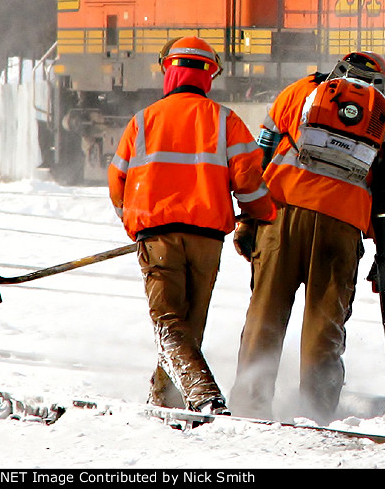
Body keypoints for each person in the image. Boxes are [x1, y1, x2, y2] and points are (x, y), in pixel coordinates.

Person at [230, 51, 385, 421]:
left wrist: (249, 220)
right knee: (323, 330)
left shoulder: (298, 91)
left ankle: (249, 406)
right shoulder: (382, 115)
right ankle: (317, 413)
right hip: (339, 231)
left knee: (264, 317)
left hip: (279, 218)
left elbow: (260, 156)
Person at [108, 36, 275, 416]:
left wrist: (133, 222)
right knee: (188, 327)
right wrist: (263, 215)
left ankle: (203, 396)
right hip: (207, 240)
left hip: (159, 237)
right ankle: (165, 402)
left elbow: (117, 180)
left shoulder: (143, 121)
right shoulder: (225, 120)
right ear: (208, 76)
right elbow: (249, 180)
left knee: (169, 324)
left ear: (168, 71)